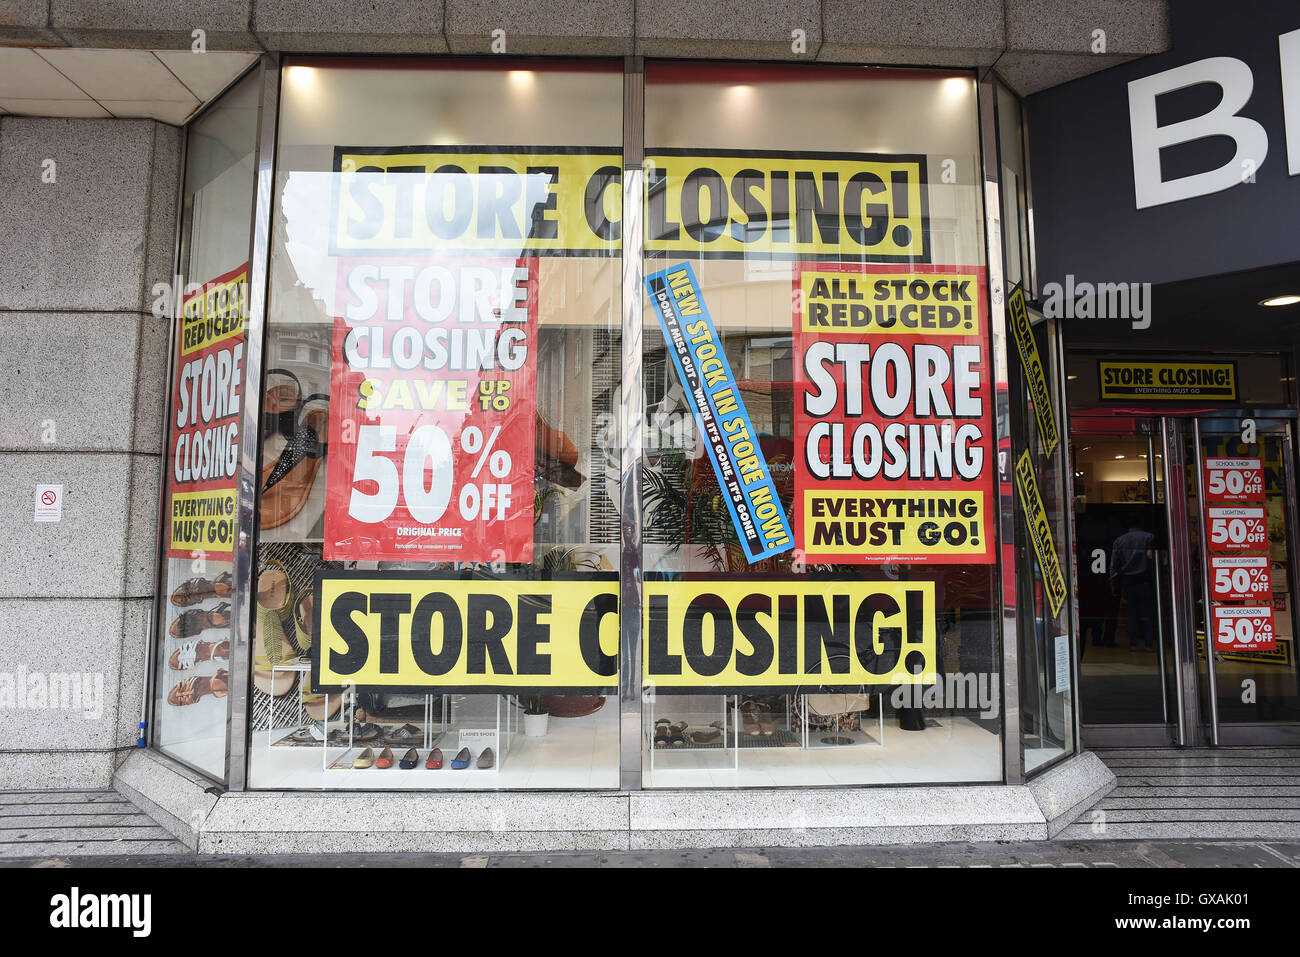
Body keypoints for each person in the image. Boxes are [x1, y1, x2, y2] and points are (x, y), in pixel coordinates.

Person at [1110, 524, 1157, 651]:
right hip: (1145, 580)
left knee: (1131, 613)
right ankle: (1148, 644)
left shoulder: (1120, 540)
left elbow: (1114, 564)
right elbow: (1157, 558)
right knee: (1147, 614)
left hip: (1128, 580)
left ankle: (1133, 643)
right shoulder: (1149, 537)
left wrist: (1114, 583)